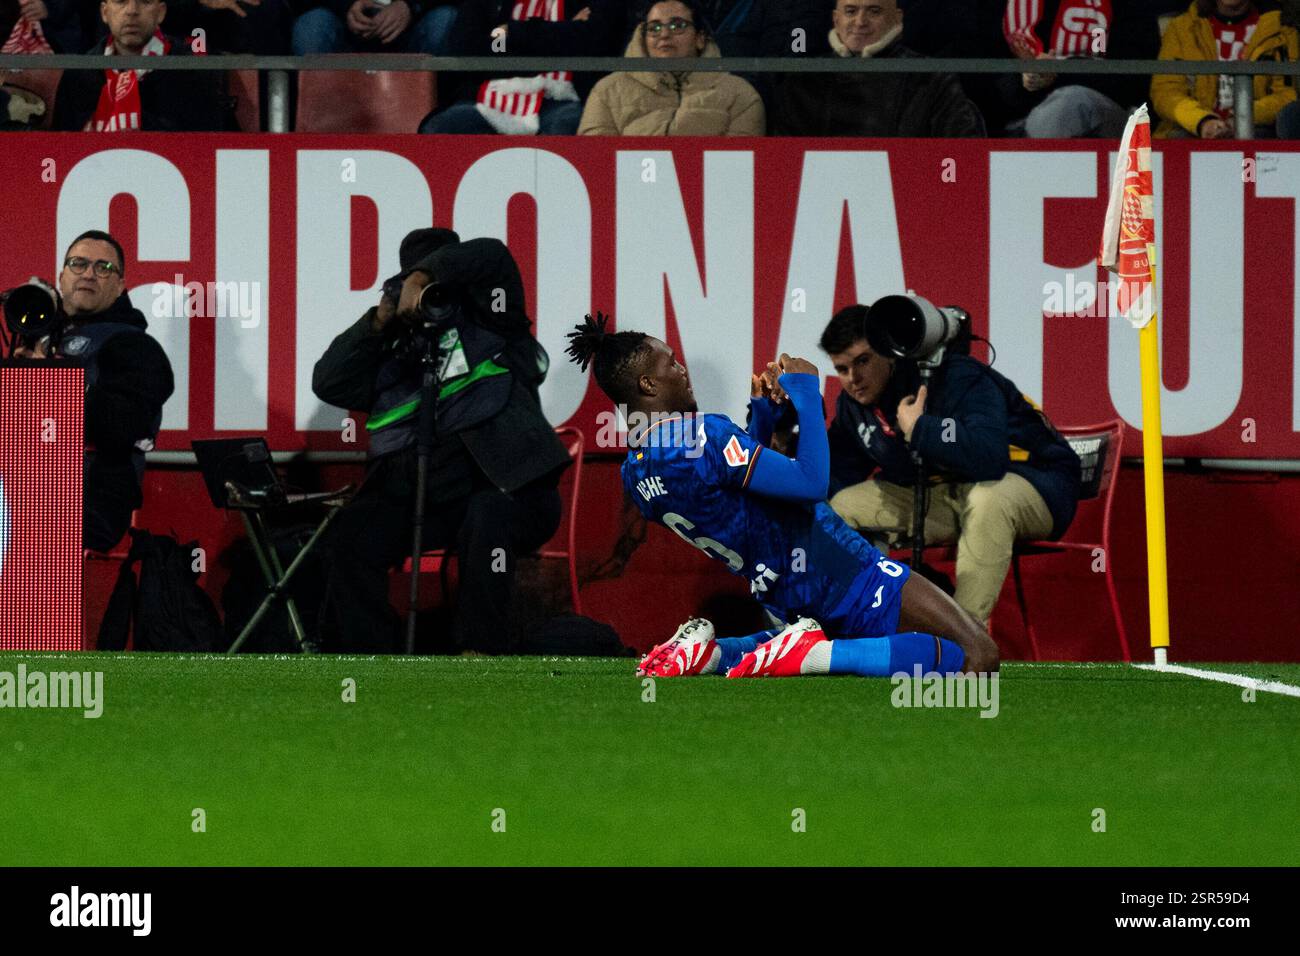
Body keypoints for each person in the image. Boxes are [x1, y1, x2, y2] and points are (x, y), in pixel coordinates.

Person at [564, 312, 1000, 679]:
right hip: (840, 567)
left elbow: (733, 500)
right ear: (648, 385)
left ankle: (713, 654)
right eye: (671, 363)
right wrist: (808, 395)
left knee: (863, 644)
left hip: (784, 591)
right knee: (977, 655)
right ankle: (815, 654)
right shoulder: (704, 434)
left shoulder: (636, 473)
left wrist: (763, 421)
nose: (682, 369)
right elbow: (810, 482)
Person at [312, 230, 572, 655]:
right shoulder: (396, 346)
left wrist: (426, 278)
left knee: (487, 514)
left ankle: (481, 654)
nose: (431, 300)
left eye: (436, 288)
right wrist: (380, 322)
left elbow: (491, 254)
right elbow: (329, 380)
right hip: (430, 500)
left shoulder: (492, 314)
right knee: (351, 534)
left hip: (514, 493)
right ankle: (372, 659)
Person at [819, 304, 1080, 631]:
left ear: (888, 352)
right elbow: (830, 478)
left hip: (1033, 481)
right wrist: (787, 444)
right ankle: (864, 622)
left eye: (862, 361)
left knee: (988, 501)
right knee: (843, 506)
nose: (853, 379)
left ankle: (966, 641)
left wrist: (922, 429)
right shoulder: (854, 407)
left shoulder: (957, 376)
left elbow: (989, 456)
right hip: (947, 493)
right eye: (842, 369)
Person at [11, 230, 175, 552]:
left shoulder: (136, 348)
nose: (89, 273)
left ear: (120, 285)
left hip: (86, 506)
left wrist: (50, 382)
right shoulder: (36, 337)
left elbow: (120, 424)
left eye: (104, 268)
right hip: (18, 495)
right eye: (79, 263)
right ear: (62, 275)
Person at [770, 0, 985, 137]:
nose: (860, 21)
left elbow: (960, 159)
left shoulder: (933, 79)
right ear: (836, 19)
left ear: (897, 18)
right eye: (851, 11)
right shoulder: (802, 82)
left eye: (874, 11)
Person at [418, 0, 627, 135]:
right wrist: (562, 33)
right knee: (444, 128)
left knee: (567, 128)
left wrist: (514, 31)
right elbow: (473, 49)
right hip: (488, 95)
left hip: (560, 99)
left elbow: (591, 41)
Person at [578, 0, 764, 136]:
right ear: (642, 37)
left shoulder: (741, 95)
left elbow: (737, 172)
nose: (664, 34)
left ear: (700, 38)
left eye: (678, 26)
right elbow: (598, 165)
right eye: (654, 28)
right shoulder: (607, 91)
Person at [53, 0, 224, 132]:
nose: (132, 11)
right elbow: (60, 147)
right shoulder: (79, 74)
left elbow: (209, 149)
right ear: (104, 12)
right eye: (121, 2)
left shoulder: (194, 71)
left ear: (161, 12)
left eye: (145, 2)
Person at [1151, 0, 1299, 139]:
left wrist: (1243, 117)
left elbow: (1288, 95)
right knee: (1175, 143)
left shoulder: (1282, 31)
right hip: (1192, 128)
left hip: (1257, 128)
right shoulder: (1182, 28)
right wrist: (1203, 121)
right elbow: (1166, 91)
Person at [291, 0, 458, 56]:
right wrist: (347, 6)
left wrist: (409, 5)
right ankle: (319, 125)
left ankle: (437, 121)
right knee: (313, 26)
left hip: (414, 27)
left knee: (444, 20)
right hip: (342, 28)